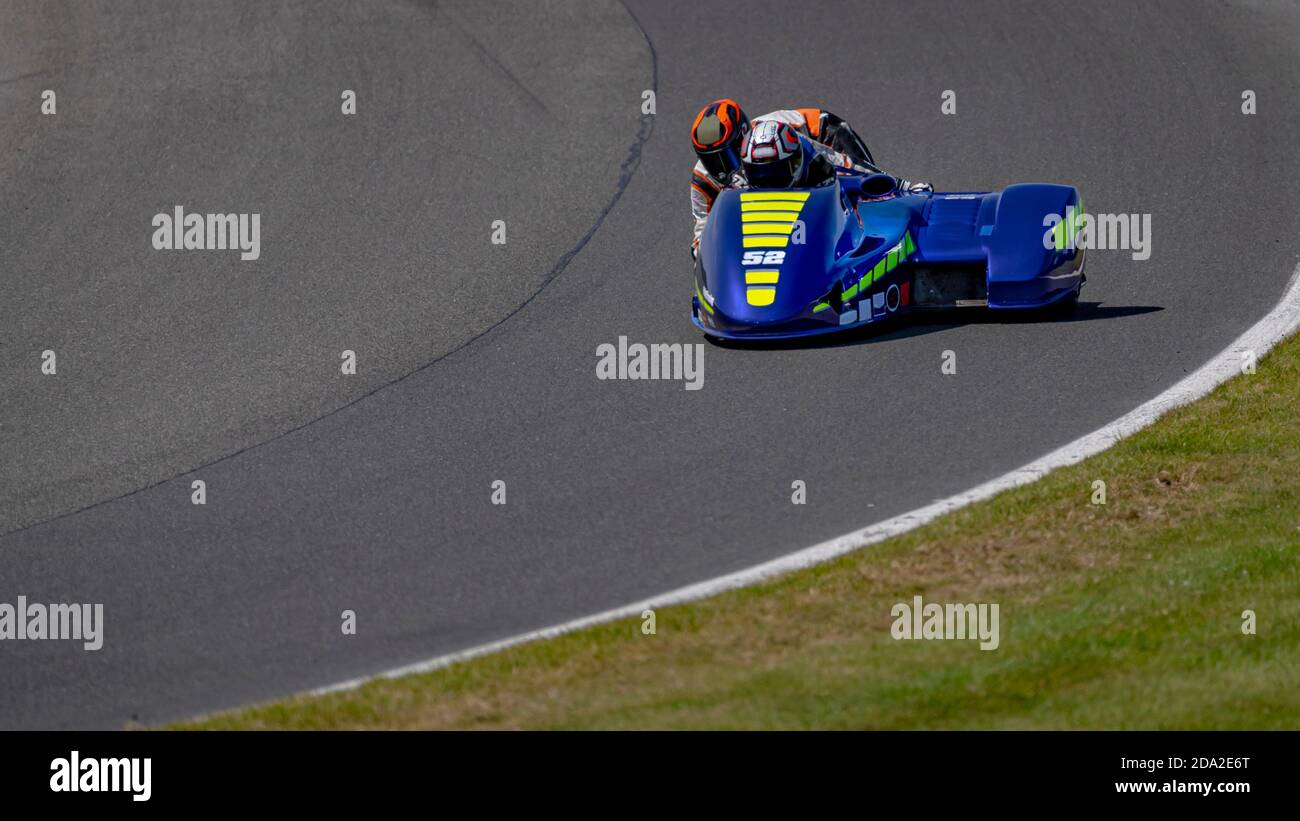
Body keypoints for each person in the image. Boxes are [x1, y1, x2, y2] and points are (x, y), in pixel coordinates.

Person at [690, 99, 930, 255]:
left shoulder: (780, 139)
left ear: (744, 136)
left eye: (727, 156)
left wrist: (899, 185)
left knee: (865, 197)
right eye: (711, 159)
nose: (721, 170)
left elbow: (843, 163)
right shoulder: (702, 180)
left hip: (824, 137)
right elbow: (702, 227)